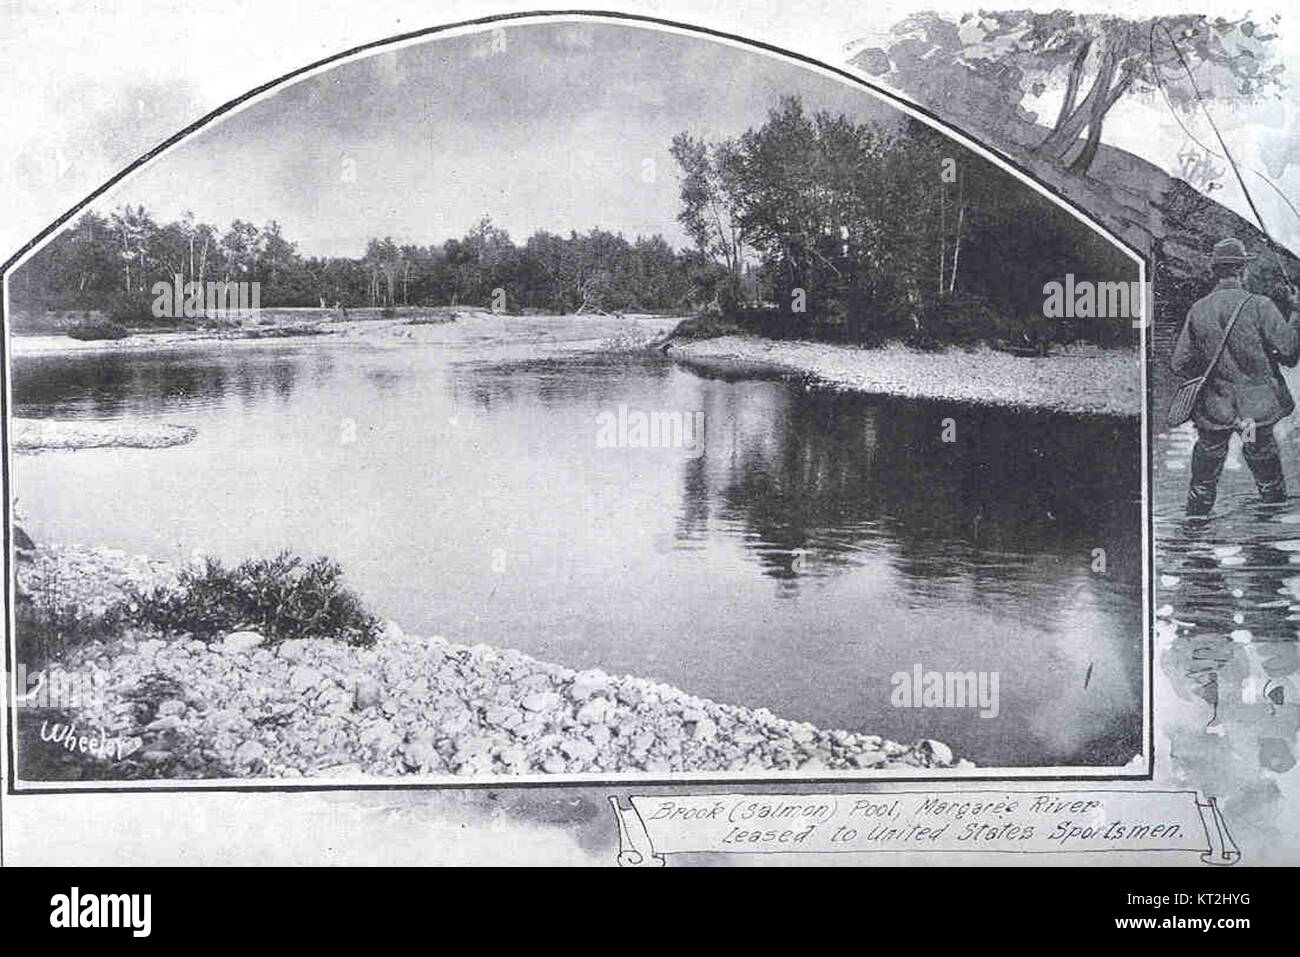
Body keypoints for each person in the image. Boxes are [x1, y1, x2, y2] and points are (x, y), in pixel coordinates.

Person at [1172, 237, 1300, 516]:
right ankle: (1269, 545)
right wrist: (1296, 313)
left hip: (1215, 412)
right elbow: (1290, 352)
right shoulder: (1260, 305)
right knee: (1267, 479)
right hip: (1252, 415)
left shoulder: (1199, 309)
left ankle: (1194, 536)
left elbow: (1179, 363)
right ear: (1243, 270)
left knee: (1203, 482)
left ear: (1215, 271)